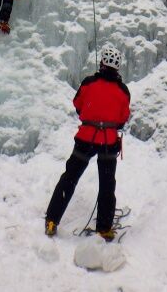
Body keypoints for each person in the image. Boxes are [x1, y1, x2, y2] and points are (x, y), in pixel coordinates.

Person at [44, 44, 130, 240]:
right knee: (107, 184)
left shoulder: (89, 82)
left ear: (101, 64)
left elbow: (78, 104)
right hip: (108, 141)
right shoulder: (123, 90)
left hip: (85, 138)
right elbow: (123, 118)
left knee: (70, 178)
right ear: (117, 68)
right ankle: (104, 227)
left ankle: (52, 220)